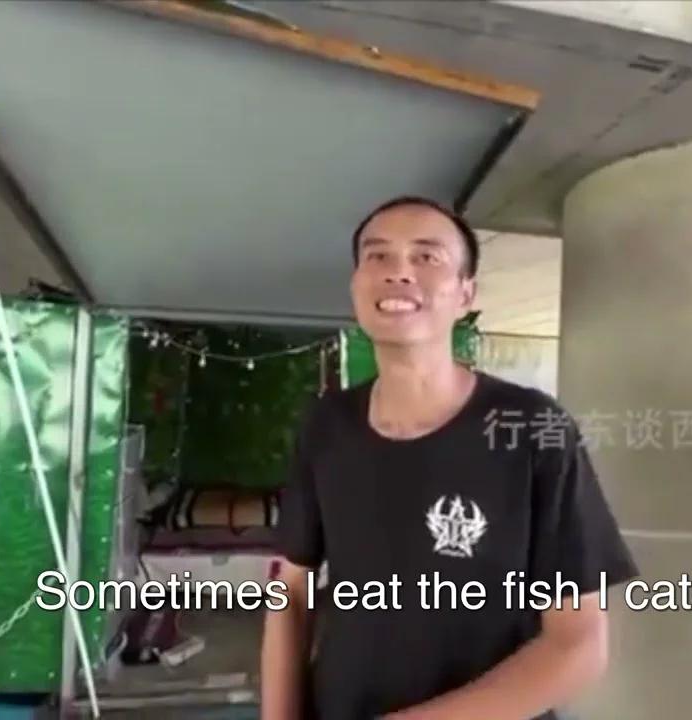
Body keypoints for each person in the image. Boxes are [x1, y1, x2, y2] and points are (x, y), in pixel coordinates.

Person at [260, 195, 638, 720]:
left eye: (426, 257)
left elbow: (577, 645)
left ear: (466, 294)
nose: (398, 273)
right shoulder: (327, 425)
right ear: (355, 286)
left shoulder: (531, 428)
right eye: (377, 256)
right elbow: (291, 593)